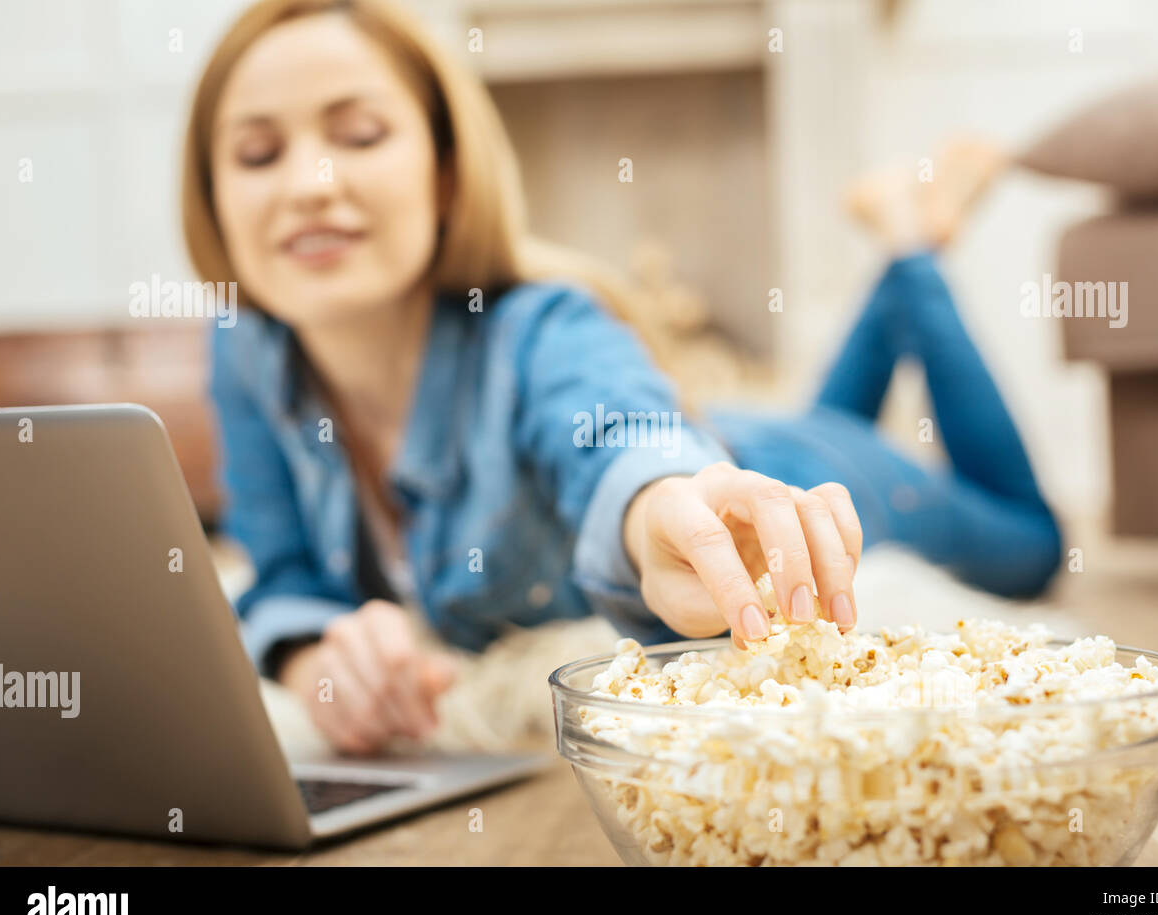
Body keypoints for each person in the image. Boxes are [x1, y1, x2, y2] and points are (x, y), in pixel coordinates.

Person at [189, 0, 1060, 755]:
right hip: (744, 439)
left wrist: (658, 516)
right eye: (258, 154)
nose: (309, 183)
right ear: (216, 197)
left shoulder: (541, 325)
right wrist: (311, 658)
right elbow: (279, 571)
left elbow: (623, 441)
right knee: (836, 419)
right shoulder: (246, 350)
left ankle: (911, 252)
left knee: (1030, 544)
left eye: (360, 135)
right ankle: (902, 257)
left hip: (777, 475)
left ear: (447, 172)